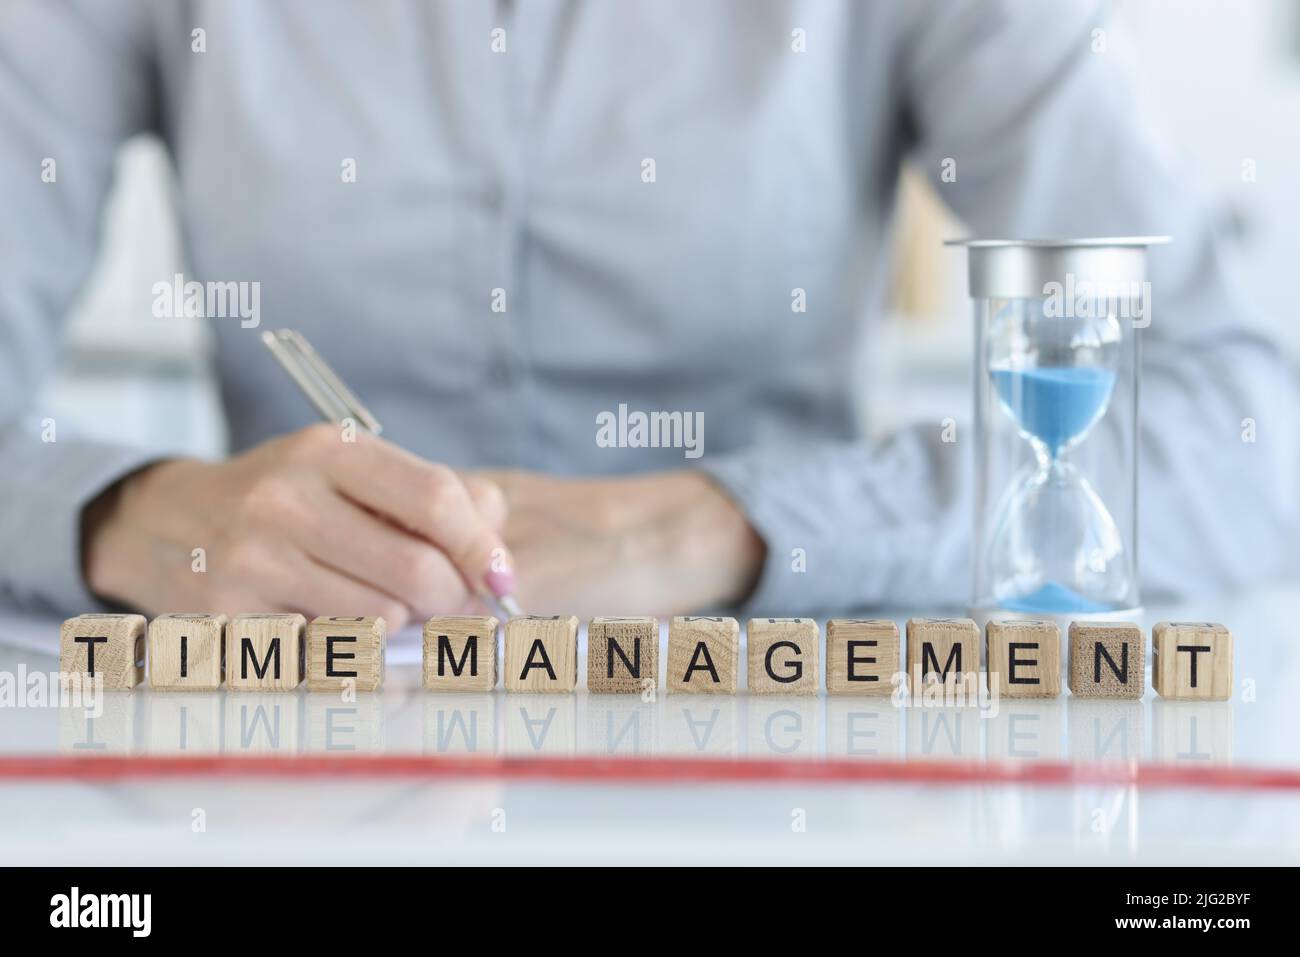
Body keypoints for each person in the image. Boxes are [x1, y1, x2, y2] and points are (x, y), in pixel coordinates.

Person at [1, 0, 1294, 628]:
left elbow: (1255, 411)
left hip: (778, 741)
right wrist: (130, 513)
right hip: (294, 746)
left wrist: (720, 526)